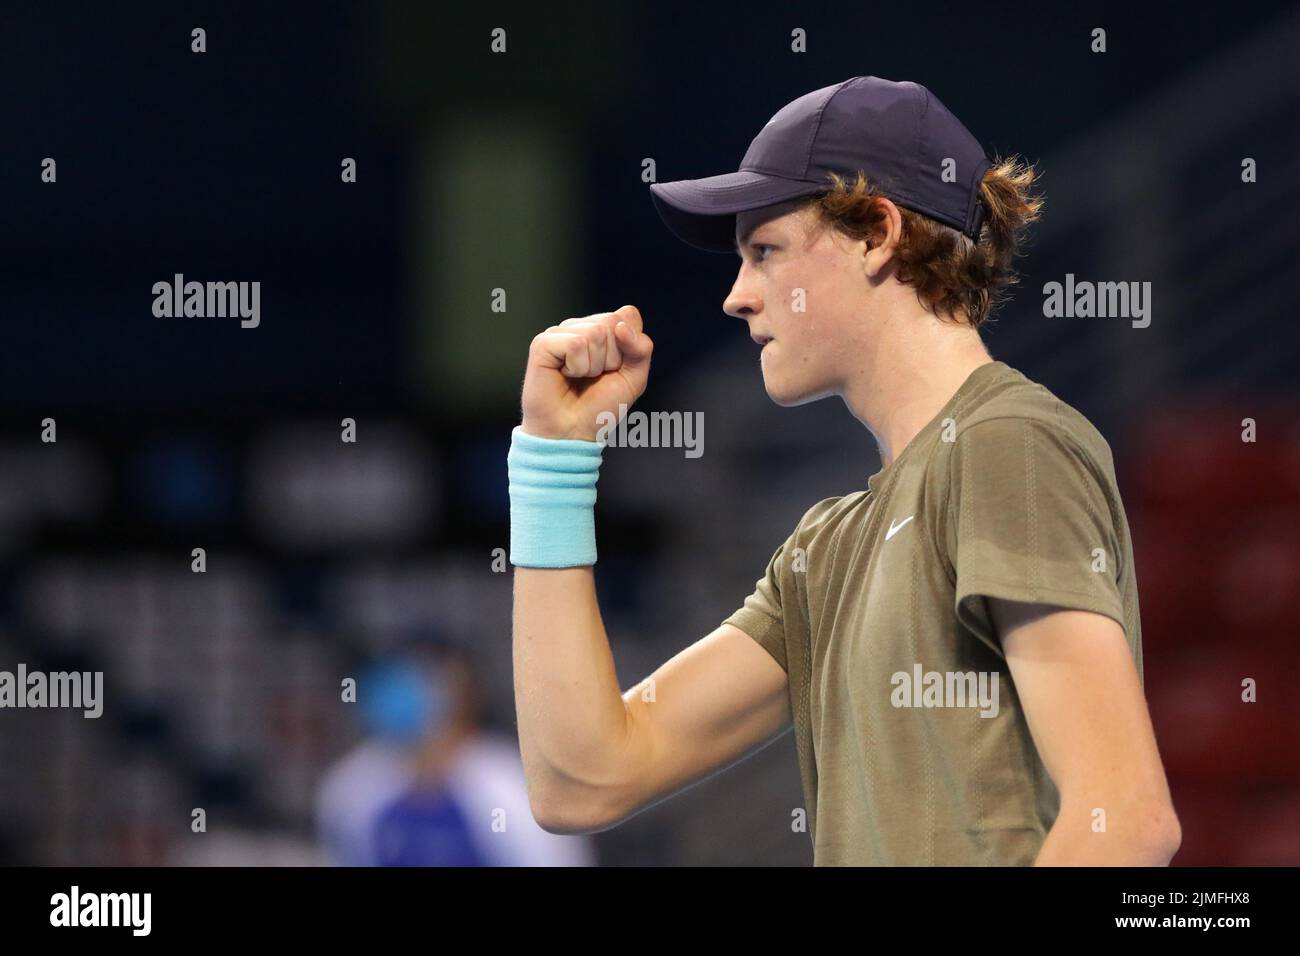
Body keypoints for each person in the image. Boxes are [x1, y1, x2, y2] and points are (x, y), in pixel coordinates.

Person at [509, 76, 1180, 865]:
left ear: (877, 233)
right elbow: (583, 781)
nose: (735, 297)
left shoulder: (1007, 442)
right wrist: (553, 456)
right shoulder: (823, 551)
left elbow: (1125, 820)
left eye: (765, 252)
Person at [317, 639, 592, 866]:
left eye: (429, 676)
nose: (411, 688)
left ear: (464, 692)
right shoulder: (352, 783)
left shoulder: (510, 783)